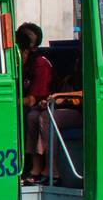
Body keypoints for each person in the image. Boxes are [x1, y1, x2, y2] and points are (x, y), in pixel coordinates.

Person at [24, 68, 84, 185]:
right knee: (32, 116)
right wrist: (49, 101)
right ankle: (36, 169)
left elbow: (87, 92)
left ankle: (52, 172)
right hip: (65, 108)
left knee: (46, 117)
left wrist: (61, 97)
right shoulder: (74, 65)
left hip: (82, 113)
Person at [17, 22, 53, 181]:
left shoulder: (40, 64)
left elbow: (32, 99)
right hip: (30, 108)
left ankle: (34, 167)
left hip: (47, 106)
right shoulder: (18, 64)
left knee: (30, 115)